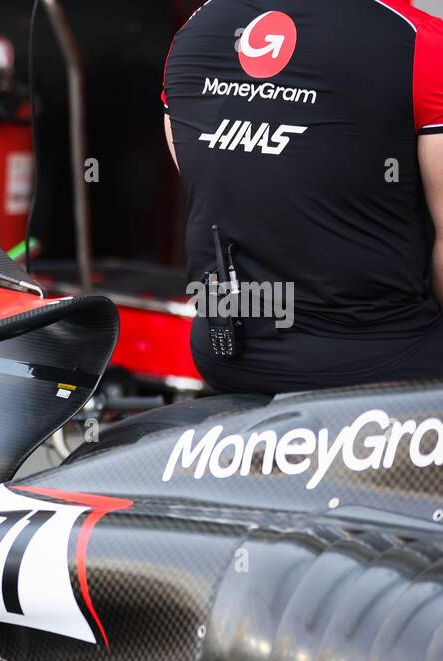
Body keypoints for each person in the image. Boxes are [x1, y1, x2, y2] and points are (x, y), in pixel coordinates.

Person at [163, 0, 443, 393]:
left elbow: (207, 179)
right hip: (381, 361)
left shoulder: (197, 28)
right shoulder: (423, 44)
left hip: (226, 351)